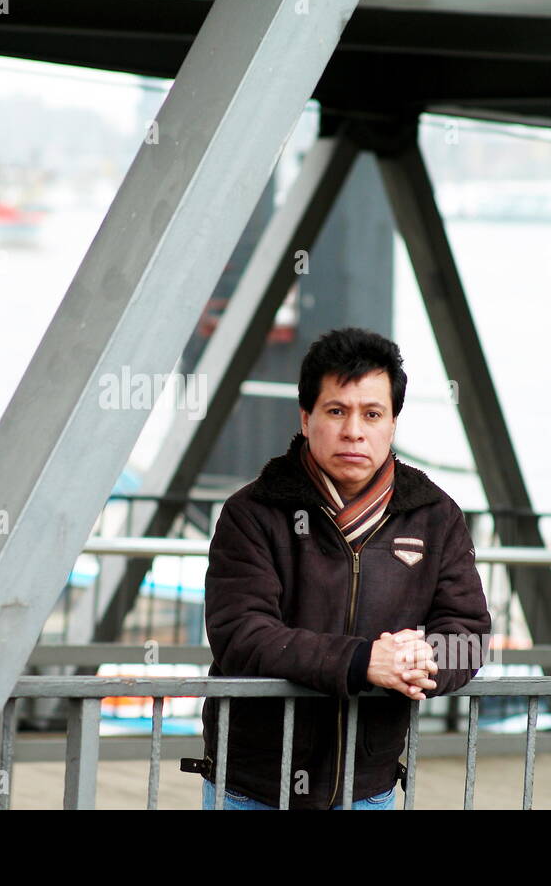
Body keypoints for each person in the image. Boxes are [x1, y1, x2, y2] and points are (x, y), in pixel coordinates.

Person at [183, 328, 491, 810]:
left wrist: (422, 659)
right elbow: (241, 633)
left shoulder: (434, 515)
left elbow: (468, 632)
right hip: (252, 786)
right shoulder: (253, 512)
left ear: (392, 423)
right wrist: (362, 661)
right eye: (336, 411)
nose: (354, 430)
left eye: (372, 414)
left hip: (369, 785)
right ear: (306, 419)